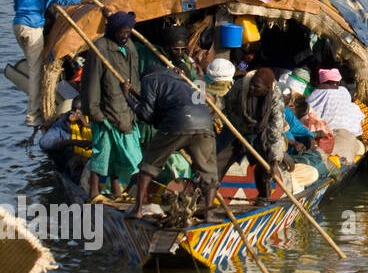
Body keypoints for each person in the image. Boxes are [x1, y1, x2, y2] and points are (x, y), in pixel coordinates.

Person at [128, 59, 219, 219]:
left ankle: (138, 209)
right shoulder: (182, 80)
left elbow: (147, 115)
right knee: (209, 171)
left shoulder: (149, 79)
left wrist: (128, 98)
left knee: (149, 165)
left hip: (179, 122)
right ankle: (209, 213)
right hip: (205, 123)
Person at [12, 0, 81, 125]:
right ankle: (33, 116)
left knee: (34, 63)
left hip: (17, 25)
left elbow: (16, 0)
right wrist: (82, 0)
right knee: (37, 72)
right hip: (32, 26)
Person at [81, 11, 143, 197]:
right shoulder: (100, 49)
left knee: (127, 156)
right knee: (102, 154)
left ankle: (116, 189)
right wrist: (94, 111)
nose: (125, 36)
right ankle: (93, 191)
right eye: (122, 32)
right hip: (107, 109)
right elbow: (91, 83)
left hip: (126, 108)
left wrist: (137, 101)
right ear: (114, 30)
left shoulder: (130, 46)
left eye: (128, 31)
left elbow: (135, 76)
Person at [222, 66, 287, 197]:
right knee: (219, 161)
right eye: (252, 84)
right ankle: (205, 197)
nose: (252, 88)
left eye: (257, 87)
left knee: (265, 164)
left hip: (259, 133)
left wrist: (275, 161)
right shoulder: (240, 87)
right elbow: (225, 105)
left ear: (267, 89)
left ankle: (264, 198)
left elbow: (276, 129)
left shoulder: (275, 98)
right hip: (235, 129)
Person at [38, 96, 93, 174]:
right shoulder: (63, 124)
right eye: (74, 109)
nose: (75, 112)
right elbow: (44, 143)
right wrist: (71, 142)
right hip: (73, 162)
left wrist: (85, 124)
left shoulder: (93, 122)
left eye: (79, 110)